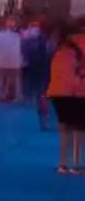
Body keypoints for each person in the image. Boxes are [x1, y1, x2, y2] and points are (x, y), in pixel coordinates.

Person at [48, 20, 85, 174]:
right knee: (79, 129)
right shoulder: (76, 50)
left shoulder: (59, 50)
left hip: (57, 92)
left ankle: (63, 163)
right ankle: (76, 164)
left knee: (64, 129)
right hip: (77, 92)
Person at [0, 18, 24, 102]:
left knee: (4, 79)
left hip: (3, 61)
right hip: (13, 61)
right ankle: (10, 95)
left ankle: (4, 95)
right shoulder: (18, 36)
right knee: (11, 79)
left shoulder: (0, 35)